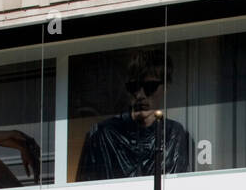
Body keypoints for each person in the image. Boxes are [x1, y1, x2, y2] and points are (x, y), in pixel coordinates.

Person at [75, 49, 192, 180]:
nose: (140, 95)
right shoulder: (102, 135)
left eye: (150, 87)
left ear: (165, 87)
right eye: (133, 87)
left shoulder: (174, 135)